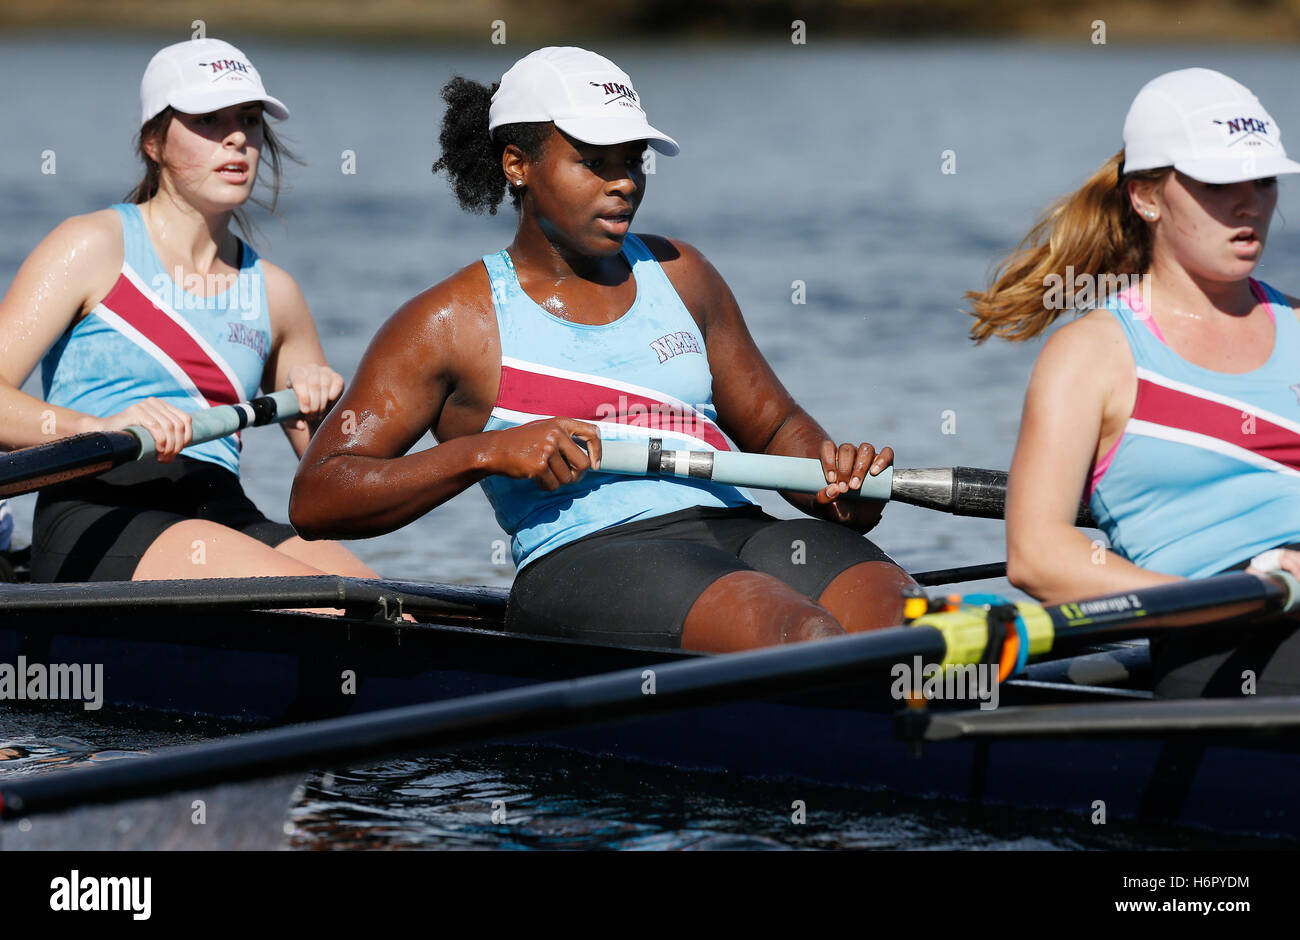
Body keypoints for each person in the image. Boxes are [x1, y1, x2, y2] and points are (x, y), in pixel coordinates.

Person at [290, 46, 914, 651]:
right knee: (803, 633)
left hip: (744, 531)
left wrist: (835, 482)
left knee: (917, 627)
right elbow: (320, 496)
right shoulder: (450, 321)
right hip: (591, 559)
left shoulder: (681, 273)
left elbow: (775, 426)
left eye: (633, 160)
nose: (624, 184)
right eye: (595, 161)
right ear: (518, 164)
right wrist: (483, 453)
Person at [966, 68, 1300, 695]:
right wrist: (1225, 601)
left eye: (1263, 180)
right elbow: (1037, 555)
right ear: (1146, 197)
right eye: (1218, 183)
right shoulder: (1091, 356)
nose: (1249, 202)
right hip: (1220, 648)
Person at [0, 38, 377, 585]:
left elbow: (334, 495)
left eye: (249, 119)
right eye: (208, 119)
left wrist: (324, 416)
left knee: (381, 609)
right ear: (154, 141)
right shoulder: (91, 246)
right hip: (99, 511)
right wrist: (98, 427)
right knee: (323, 603)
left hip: (220, 510)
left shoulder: (275, 293)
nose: (237, 137)